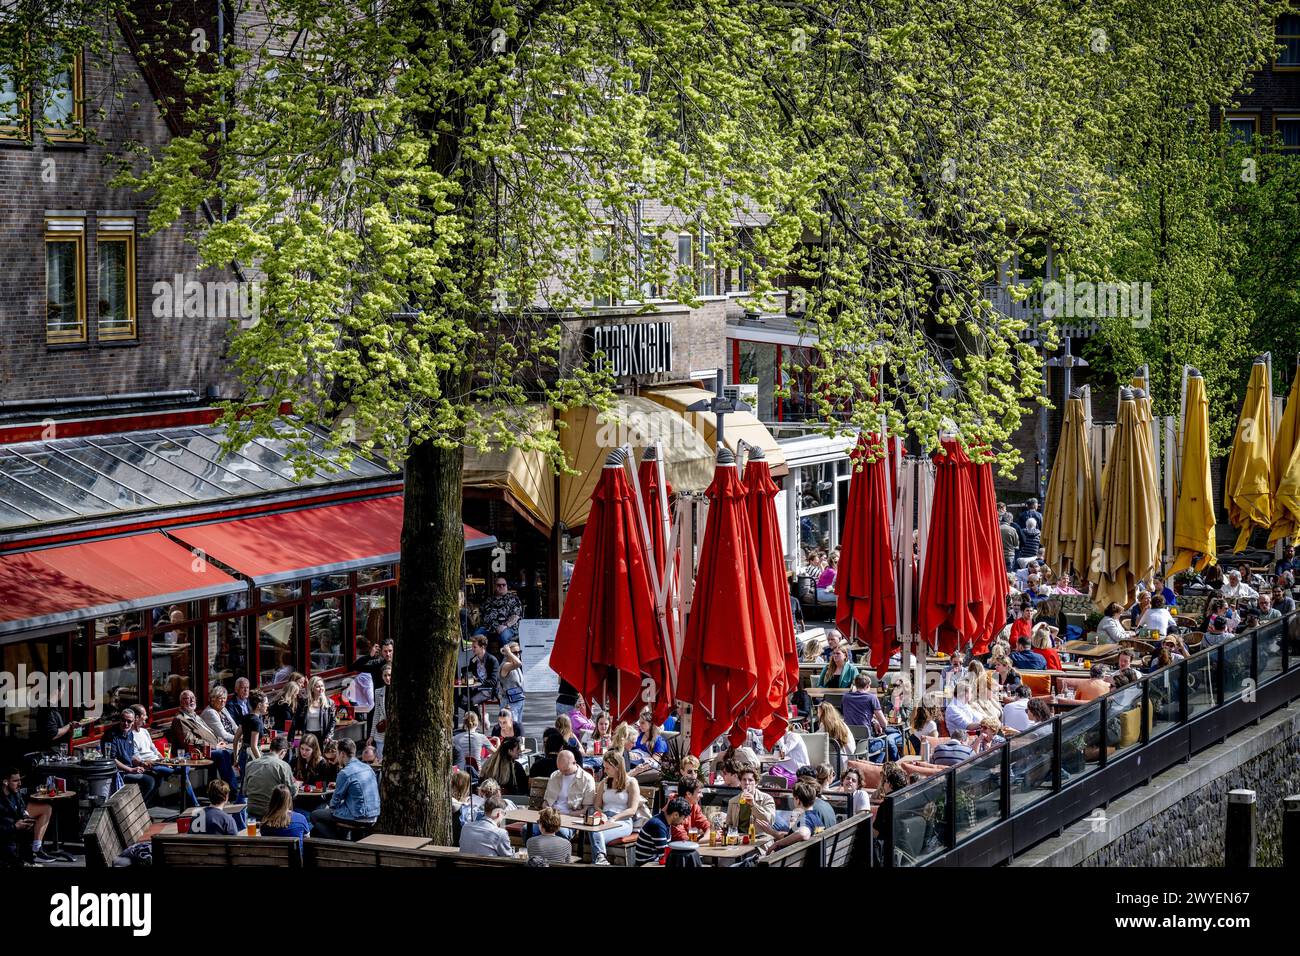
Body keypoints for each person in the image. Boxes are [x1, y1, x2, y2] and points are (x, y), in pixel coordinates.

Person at [310, 738, 380, 839]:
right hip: (373, 815)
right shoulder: (367, 768)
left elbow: (335, 802)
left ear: (342, 754)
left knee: (315, 815)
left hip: (359, 816)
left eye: (337, 753)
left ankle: (339, 842)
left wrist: (330, 807)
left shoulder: (345, 773)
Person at [168, 689, 237, 789]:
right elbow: (189, 741)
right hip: (195, 753)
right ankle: (232, 792)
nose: (192, 701)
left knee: (240, 750)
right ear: (182, 702)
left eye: (193, 698)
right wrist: (214, 746)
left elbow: (209, 733)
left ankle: (217, 790)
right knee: (223, 754)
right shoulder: (180, 719)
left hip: (212, 747)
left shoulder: (195, 716)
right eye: (188, 698)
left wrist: (219, 742)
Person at [589, 751, 642, 865]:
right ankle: (600, 859)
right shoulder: (604, 782)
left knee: (597, 833)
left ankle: (599, 859)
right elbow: (597, 805)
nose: (605, 771)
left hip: (623, 821)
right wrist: (602, 813)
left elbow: (632, 809)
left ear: (616, 767)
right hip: (605, 818)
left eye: (607, 768)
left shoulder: (631, 782)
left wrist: (615, 818)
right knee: (594, 830)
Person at [1, 765, 55, 865]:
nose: (20, 784)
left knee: (46, 808)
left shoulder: (15, 793)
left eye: (20, 780)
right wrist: (15, 826)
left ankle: (33, 853)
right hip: (6, 843)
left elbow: (21, 808)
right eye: (15, 781)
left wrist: (25, 818)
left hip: (16, 840)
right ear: (5, 782)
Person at [102, 709, 158, 804]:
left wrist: (141, 763)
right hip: (118, 773)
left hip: (129, 769)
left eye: (129, 721)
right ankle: (135, 808)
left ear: (133, 722)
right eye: (123, 720)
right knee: (149, 781)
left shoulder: (130, 734)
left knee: (157, 776)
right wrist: (131, 770)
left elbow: (131, 755)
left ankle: (141, 808)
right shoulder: (111, 735)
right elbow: (112, 759)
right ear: (119, 719)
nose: (126, 723)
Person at [243, 735, 297, 818]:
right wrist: (297, 785)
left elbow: (244, 791)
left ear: (270, 748)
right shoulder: (283, 766)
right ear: (283, 751)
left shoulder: (250, 764)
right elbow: (291, 793)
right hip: (273, 812)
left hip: (252, 811)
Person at [543, 749, 597, 822]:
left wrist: (567, 814)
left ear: (574, 762)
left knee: (560, 832)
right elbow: (545, 802)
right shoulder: (555, 775)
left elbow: (587, 809)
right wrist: (549, 812)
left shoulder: (586, 779)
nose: (562, 773)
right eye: (560, 770)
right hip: (550, 817)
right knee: (527, 829)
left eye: (565, 770)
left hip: (570, 819)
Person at [474, 576, 524, 652]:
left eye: (503, 585)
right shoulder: (489, 599)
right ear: (494, 586)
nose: (501, 586)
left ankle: (508, 660)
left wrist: (505, 626)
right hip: (489, 628)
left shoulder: (513, 598)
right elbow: (481, 613)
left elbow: (516, 616)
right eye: (498, 585)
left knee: (504, 636)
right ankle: (481, 660)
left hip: (508, 628)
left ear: (507, 586)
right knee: (476, 635)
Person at [634, 796, 689, 865]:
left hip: (654, 861)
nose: (683, 822)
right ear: (675, 815)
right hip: (647, 863)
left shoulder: (664, 821)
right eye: (683, 818)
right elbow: (665, 856)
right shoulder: (658, 826)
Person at [260, 784, 312, 848]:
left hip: (274, 857)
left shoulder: (265, 823)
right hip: (295, 857)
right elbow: (307, 840)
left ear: (272, 800)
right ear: (289, 800)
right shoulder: (301, 819)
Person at [726, 764, 776, 831]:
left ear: (756, 783)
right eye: (744, 780)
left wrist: (753, 805)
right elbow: (729, 825)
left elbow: (770, 820)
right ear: (740, 782)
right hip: (739, 837)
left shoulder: (766, 799)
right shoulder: (733, 801)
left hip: (759, 837)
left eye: (750, 780)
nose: (747, 783)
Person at [293, 676, 336, 746]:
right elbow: (296, 721)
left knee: (319, 756)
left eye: (322, 686)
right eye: (318, 686)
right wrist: (296, 742)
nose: (321, 688)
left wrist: (329, 736)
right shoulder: (304, 703)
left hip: (321, 736)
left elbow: (332, 721)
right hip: (306, 735)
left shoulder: (330, 703)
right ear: (312, 688)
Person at [463, 636, 500, 712]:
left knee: (471, 702)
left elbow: (493, 681)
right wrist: (467, 677)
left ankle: (478, 720)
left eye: (474, 647)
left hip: (488, 690)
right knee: (460, 700)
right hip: (475, 689)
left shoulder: (492, 660)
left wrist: (479, 681)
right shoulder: (473, 660)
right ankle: (476, 719)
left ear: (482, 647)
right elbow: (470, 674)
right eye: (472, 647)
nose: (472, 649)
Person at [670, 773, 712, 841]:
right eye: (699, 792)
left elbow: (707, 826)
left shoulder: (694, 805)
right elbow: (681, 837)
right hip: (676, 849)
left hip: (689, 845)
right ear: (688, 794)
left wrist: (704, 838)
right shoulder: (675, 807)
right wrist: (702, 840)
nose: (701, 795)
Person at [818, 701, 857, 771]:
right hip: (848, 757)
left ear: (822, 714)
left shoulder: (825, 726)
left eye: (818, 712)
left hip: (836, 761)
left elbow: (817, 738)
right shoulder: (841, 723)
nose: (818, 715)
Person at [497, 641, 525, 727]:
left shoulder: (514, 664)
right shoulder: (506, 665)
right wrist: (508, 652)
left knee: (518, 728)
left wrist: (511, 653)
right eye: (515, 653)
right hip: (509, 703)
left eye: (519, 652)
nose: (518, 655)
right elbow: (519, 663)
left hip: (518, 700)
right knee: (511, 729)